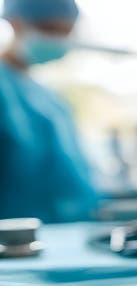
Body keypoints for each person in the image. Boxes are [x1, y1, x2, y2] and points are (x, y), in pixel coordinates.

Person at [0, 0, 97, 223]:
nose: (59, 40)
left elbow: (72, 177)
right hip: (13, 231)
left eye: (67, 32)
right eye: (52, 29)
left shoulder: (51, 99)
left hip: (67, 227)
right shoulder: (5, 90)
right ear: (16, 23)